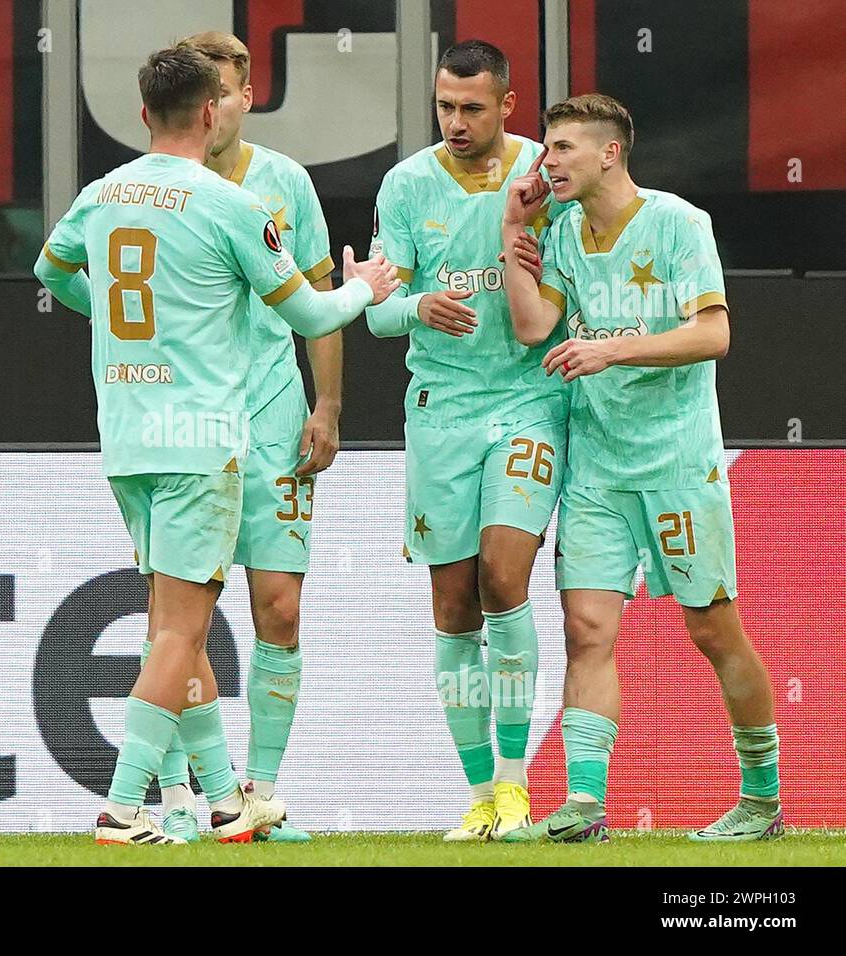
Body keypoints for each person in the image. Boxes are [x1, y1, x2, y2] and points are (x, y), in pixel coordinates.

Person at [35, 45, 397, 845]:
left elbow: (50, 267)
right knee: (180, 632)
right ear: (210, 112)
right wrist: (366, 287)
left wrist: (130, 324)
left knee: (176, 622)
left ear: (143, 115)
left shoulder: (104, 193)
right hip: (202, 436)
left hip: (128, 437)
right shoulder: (230, 204)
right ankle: (125, 809)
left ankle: (230, 802)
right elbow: (308, 315)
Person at [498, 93, 783, 842]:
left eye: (561, 148)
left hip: (677, 464)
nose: (546, 161)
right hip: (596, 468)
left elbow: (713, 334)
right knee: (587, 628)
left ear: (609, 153)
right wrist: (510, 233)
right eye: (546, 149)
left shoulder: (680, 224)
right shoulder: (560, 235)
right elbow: (533, 326)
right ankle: (584, 807)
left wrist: (611, 348)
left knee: (714, 631)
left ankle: (762, 801)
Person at [366, 40, 567, 840]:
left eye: (472, 107)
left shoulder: (546, 175)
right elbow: (376, 309)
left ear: (508, 106)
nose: (455, 121)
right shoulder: (407, 184)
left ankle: (517, 786)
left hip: (527, 398)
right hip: (441, 410)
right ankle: (480, 794)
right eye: (445, 106)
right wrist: (417, 307)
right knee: (453, 605)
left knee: (502, 571)